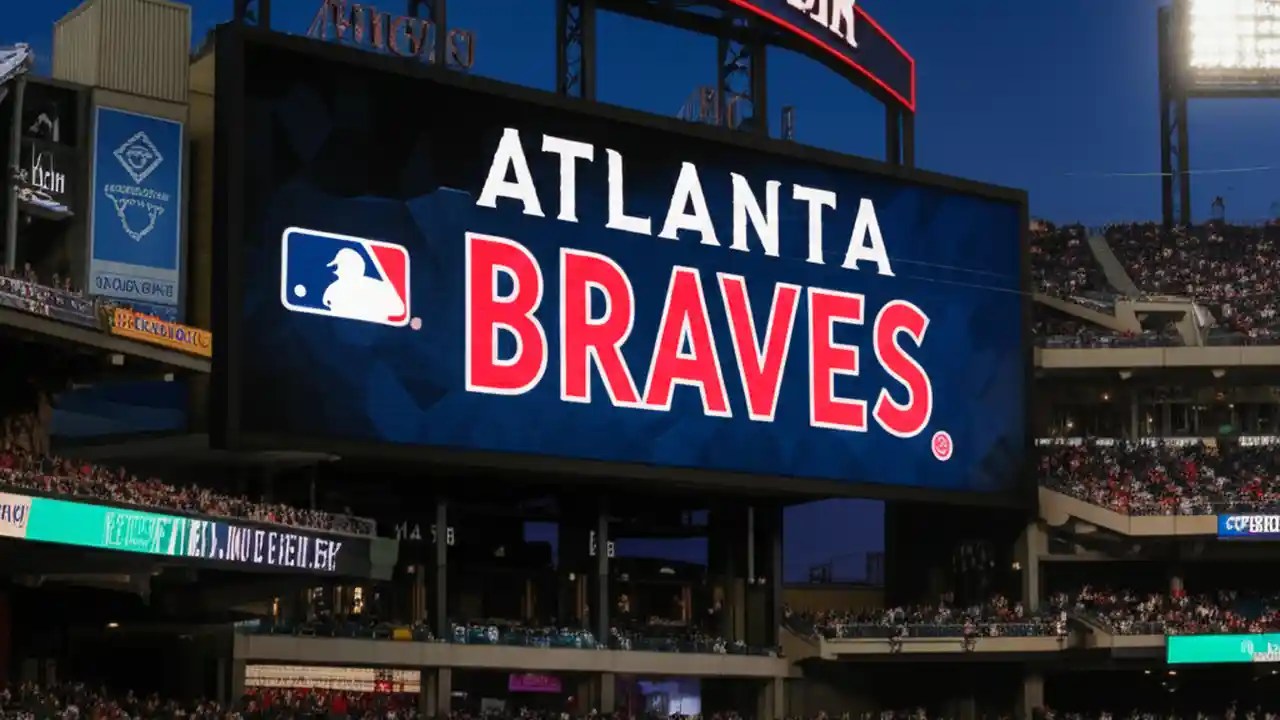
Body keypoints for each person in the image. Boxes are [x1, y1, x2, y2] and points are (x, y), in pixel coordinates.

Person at [322, 248, 406, 323]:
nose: (337, 271)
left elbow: (399, 309)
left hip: (377, 335)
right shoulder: (334, 289)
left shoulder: (378, 287)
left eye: (339, 266)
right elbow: (326, 306)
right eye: (337, 267)